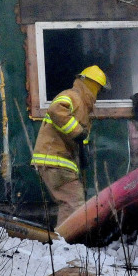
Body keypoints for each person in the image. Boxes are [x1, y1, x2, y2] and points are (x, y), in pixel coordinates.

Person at [31, 65, 109, 226]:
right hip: (56, 160)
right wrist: (78, 132)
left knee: (73, 202)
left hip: (60, 161)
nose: (98, 95)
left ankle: (65, 238)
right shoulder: (73, 96)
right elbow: (56, 110)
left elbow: (79, 138)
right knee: (73, 203)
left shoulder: (83, 106)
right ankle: (66, 240)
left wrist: (83, 153)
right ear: (94, 86)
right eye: (99, 90)